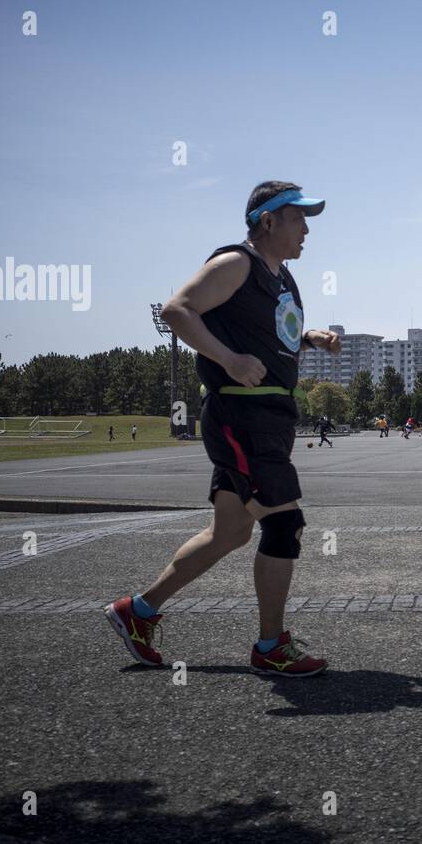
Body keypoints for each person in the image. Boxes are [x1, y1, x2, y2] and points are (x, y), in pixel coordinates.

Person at [103, 180, 337, 678]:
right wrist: (228, 359)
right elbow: (177, 310)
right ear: (268, 221)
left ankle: (137, 612)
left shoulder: (282, 280)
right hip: (242, 416)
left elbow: (277, 342)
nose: (307, 229)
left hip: (269, 419)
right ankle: (271, 646)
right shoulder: (237, 264)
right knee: (283, 523)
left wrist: (311, 339)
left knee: (229, 533)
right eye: (298, 218)